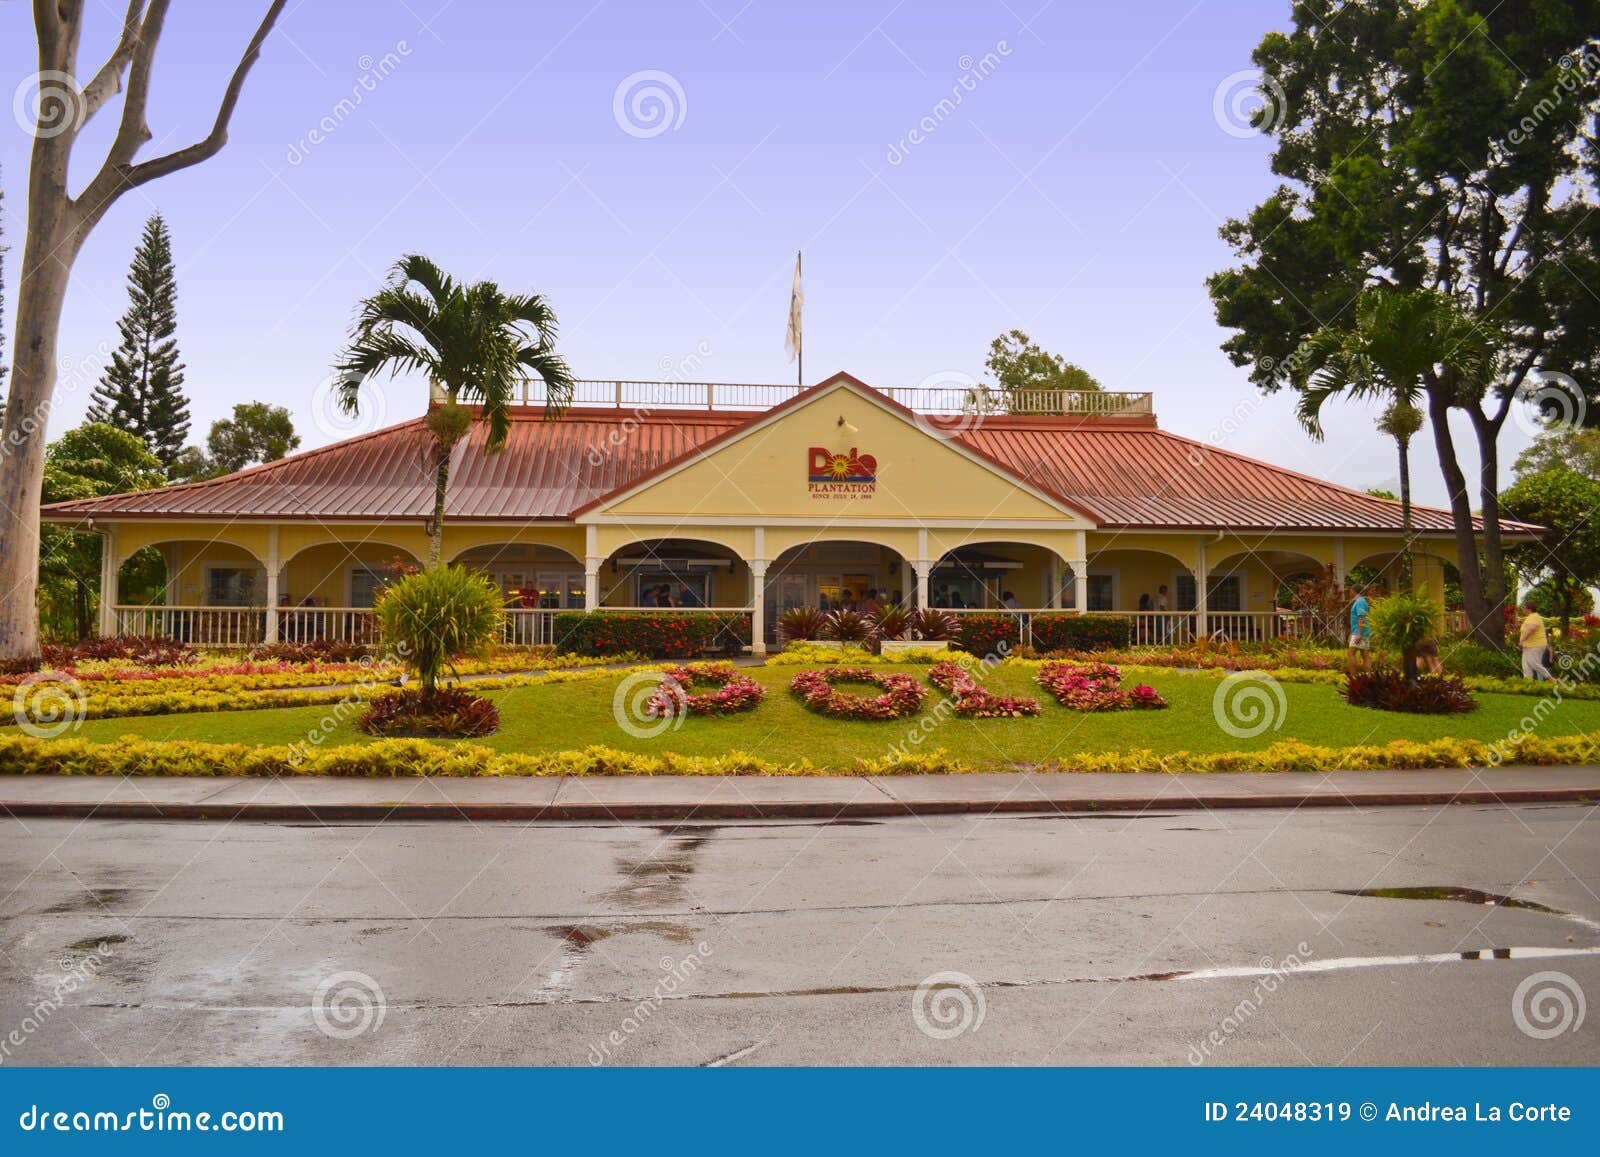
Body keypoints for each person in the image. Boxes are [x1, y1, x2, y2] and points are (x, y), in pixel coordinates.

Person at [1519, 602, 1552, 681]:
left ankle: (1551, 679)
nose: (1522, 610)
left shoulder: (1534, 617)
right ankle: (1528, 683)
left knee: (1534, 664)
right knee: (1526, 666)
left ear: (1529, 609)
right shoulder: (1529, 617)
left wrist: (1522, 640)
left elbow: (1531, 629)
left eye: (1524, 608)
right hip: (1527, 646)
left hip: (1535, 645)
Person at [1347, 586, 1373, 678]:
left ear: (1354, 591)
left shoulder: (1360, 602)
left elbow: (1361, 618)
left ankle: (1353, 677)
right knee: (1364, 654)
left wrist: (1358, 634)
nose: (1349, 592)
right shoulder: (1361, 601)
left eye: (1350, 590)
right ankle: (1368, 676)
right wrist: (1352, 632)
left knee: (1351, 653)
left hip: (1360, 632)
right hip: (1361, 632)